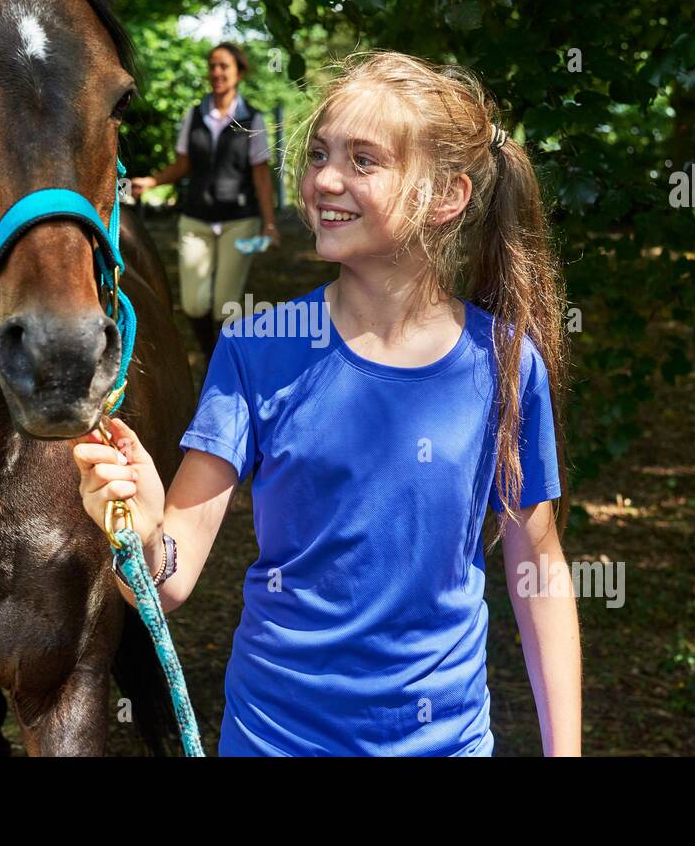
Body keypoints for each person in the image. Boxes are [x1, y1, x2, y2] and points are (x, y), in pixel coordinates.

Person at [74, 50, 581, 756]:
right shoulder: (257, 349)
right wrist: (138, 527)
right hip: (275, 738)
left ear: (446, 197)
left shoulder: (503, 363)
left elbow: (538, 566)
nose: (324, 179)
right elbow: (169, 578)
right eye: (319, 153)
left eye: (363, 160)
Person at [128, 42, 280, 358]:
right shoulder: (194, 115)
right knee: (195, 305)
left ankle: (226, 361)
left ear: (239, 72)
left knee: (225, 306)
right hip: (195, 218)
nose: (217, 72)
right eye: (212, 65)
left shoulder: (253, 119)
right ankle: (212, 355)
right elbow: (183, 164)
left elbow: (261, 175)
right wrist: (153, 181)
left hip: (240, 221)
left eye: (224, 66)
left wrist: (268, 224)